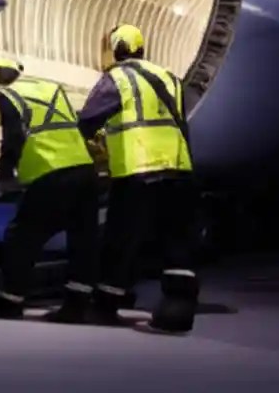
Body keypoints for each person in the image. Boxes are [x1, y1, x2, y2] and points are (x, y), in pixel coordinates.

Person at [76, 23, 199, 333]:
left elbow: (88, 120)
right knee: (177, 239)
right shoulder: (169, 77)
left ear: (116, 49)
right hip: (179, 169)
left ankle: (106, 305)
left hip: (138, 172)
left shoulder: (117, 78)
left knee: (121, 238)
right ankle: (177, 311)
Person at [0, 58, 102, 323]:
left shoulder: (8, 95)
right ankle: (77, 304)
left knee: (22, 237)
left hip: (51, 173)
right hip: (84, 170)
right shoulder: (51, 88)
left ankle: (10, 301)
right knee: (83, 240)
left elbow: (13, 136)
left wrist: (4, 172)